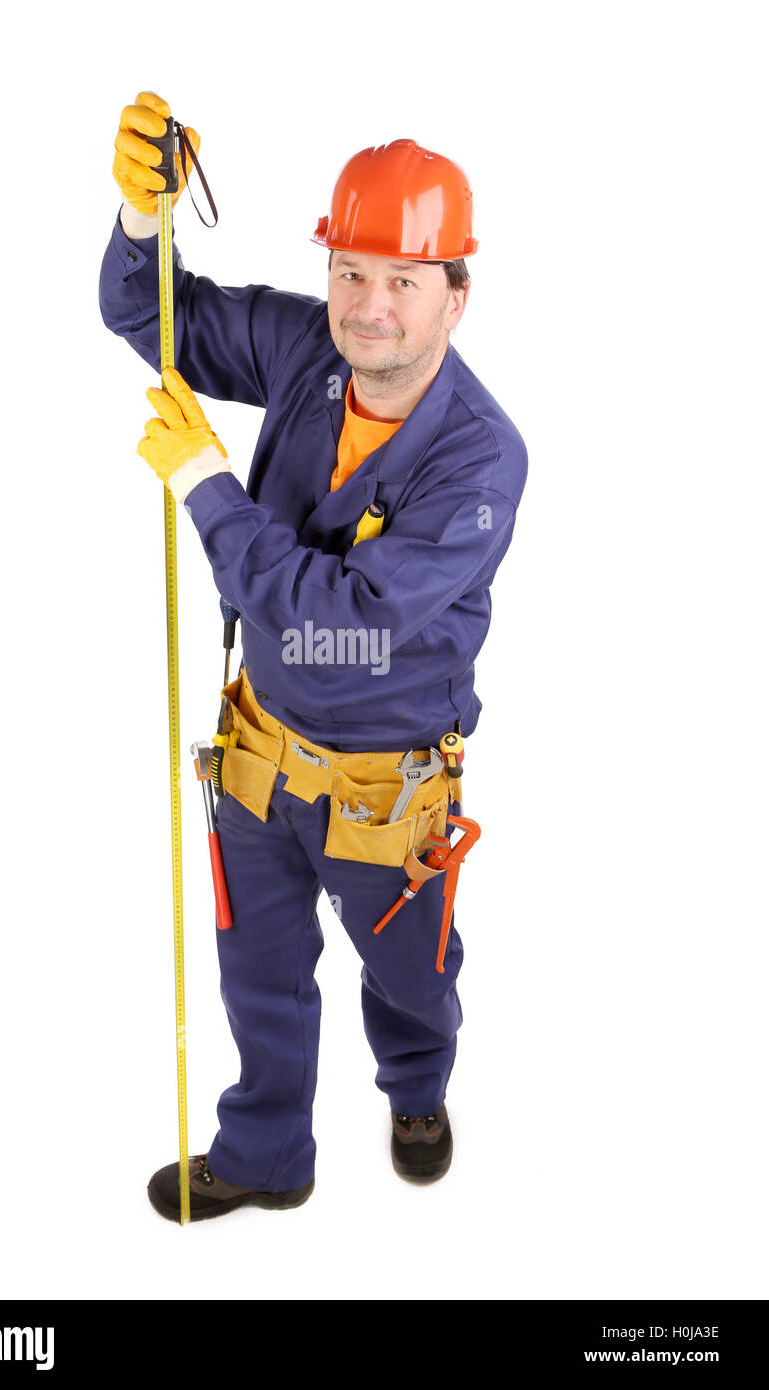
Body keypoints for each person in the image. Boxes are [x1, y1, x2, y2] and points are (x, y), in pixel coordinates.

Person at [100, 91, 528, 1222]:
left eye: (401, 278)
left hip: (384, 796)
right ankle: (266, 1151)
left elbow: (337, 631)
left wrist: (203, 483)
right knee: (259, 976)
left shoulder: (478, 462)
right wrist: (144, 224)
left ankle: (416, 1087)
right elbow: (147, 317)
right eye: (349, 270)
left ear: (454, 294)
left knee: (411, 980)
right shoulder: (308, 351)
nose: (367, 306)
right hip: (258, 760)